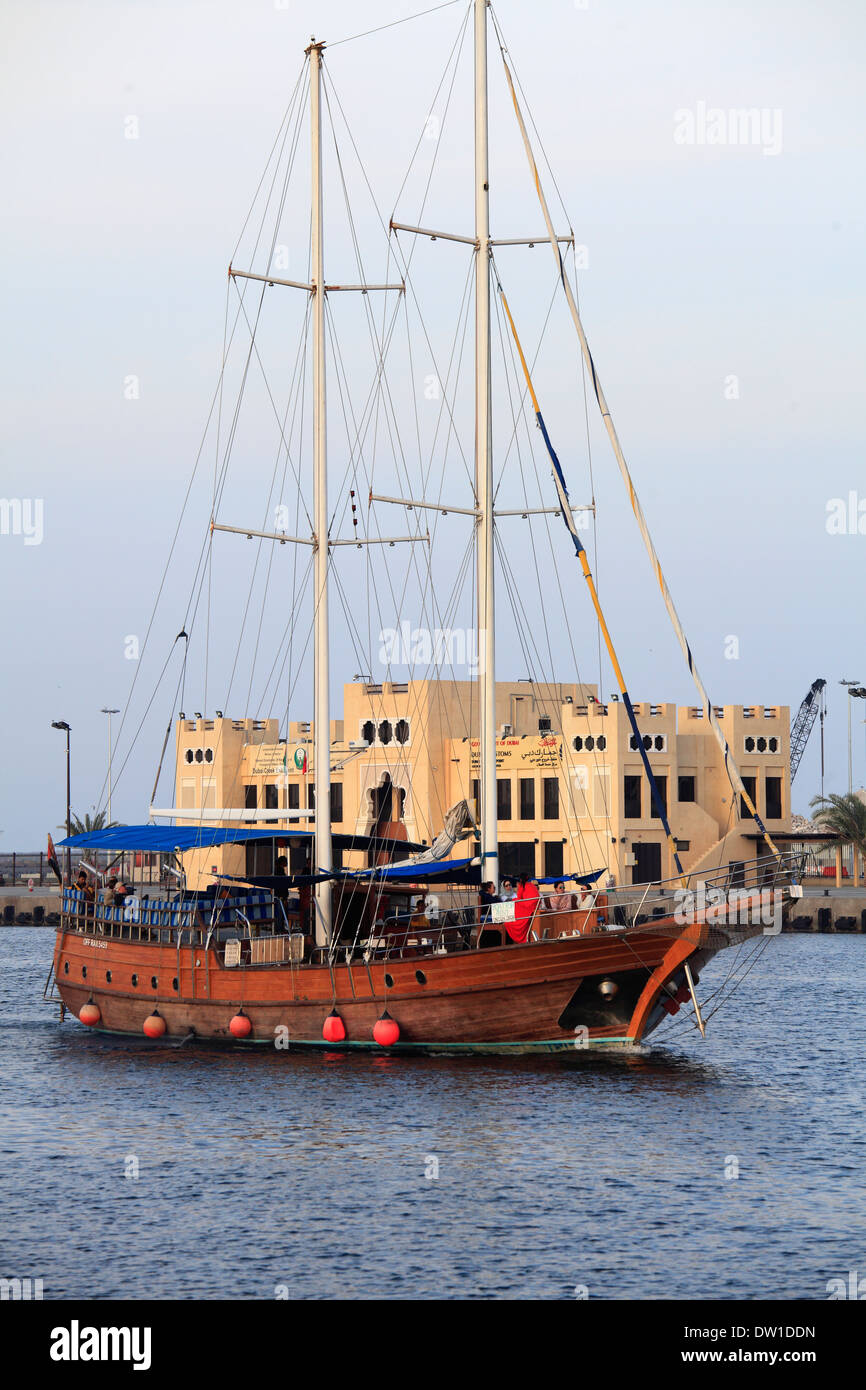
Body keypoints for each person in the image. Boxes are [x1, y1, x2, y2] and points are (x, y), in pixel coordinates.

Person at [509, 873, 540, 943]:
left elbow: (519, 897)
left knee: (514, 902)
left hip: (529, 906)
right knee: (515, 902)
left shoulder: (521, 885)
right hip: (535, 905)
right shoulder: (531, 885)